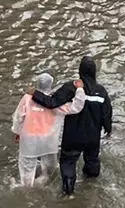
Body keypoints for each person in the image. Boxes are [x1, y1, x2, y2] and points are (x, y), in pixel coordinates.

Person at [32, 55, 113, 195]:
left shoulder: (71, 88)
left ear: (80, 71)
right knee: (92, 162)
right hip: (93, 138)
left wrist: (35, 94)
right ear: (94, 72)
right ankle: (91, 187)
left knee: (68, 162)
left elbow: (52, 103)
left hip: (73, 137)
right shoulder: (101, 91)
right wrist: (108, 129)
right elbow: (107, 114)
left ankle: (68, 192)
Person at [11, 73, 83, 187]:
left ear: (37, 83)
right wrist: (79, 90)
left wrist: (17, 132)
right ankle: (44, 181)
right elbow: (76, 107)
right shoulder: (56, 102)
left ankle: (27, 188)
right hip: (48, 140)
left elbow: (19, 117)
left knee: (27, 168)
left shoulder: (27, 98)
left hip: (29, 140)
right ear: (51, 85)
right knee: (50, 168)